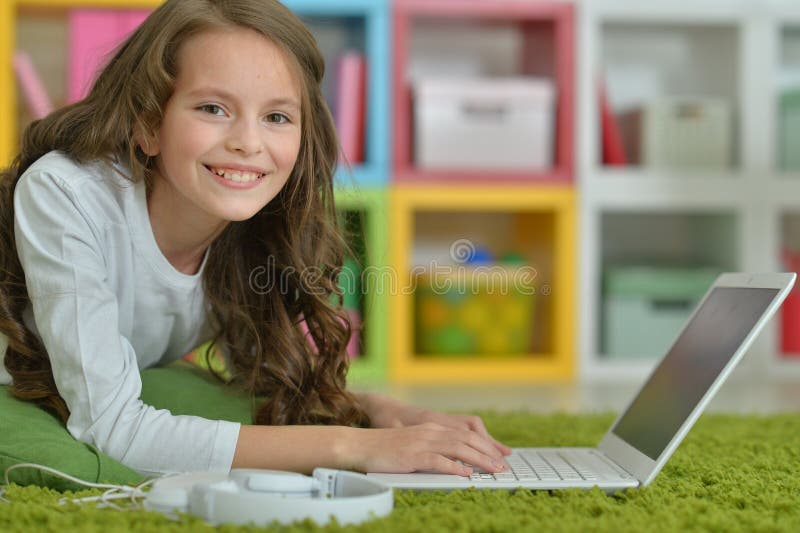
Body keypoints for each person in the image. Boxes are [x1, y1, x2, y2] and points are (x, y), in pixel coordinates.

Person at [0, 0, 510, 477]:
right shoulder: (66, 193)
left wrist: (377, 411)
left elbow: (268, 385)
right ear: (149, 125)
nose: (248, 142)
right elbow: (114, 428)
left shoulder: (248, 225)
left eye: (276, 117)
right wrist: (354, 447)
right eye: (212, 109)